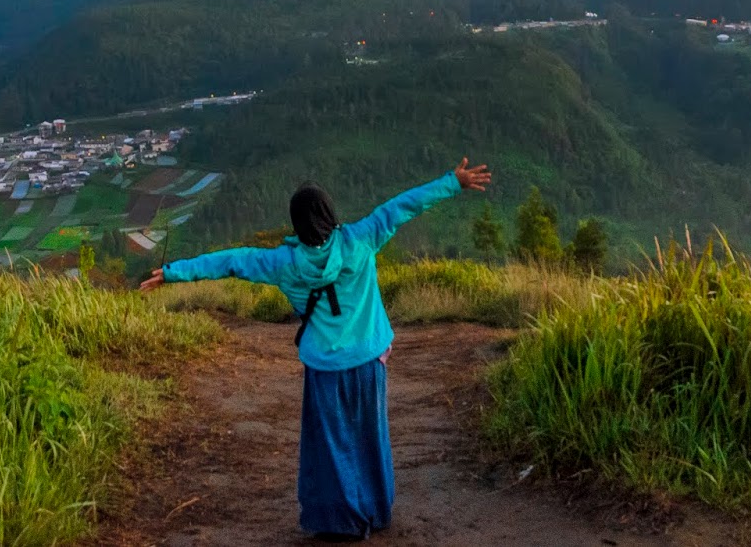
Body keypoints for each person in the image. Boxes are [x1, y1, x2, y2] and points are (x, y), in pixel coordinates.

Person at [139, 157, 494, 541]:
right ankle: (374, 512)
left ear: (297, 223)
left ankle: (341, 520)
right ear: (329, 213)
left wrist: (173, 273)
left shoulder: (282, 264)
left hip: (325, 369)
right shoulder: (362, 239)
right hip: (369, 362)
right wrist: (453, 182)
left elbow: (231, 261)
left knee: (331, 443)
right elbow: (403, 205)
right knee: (369, 437)